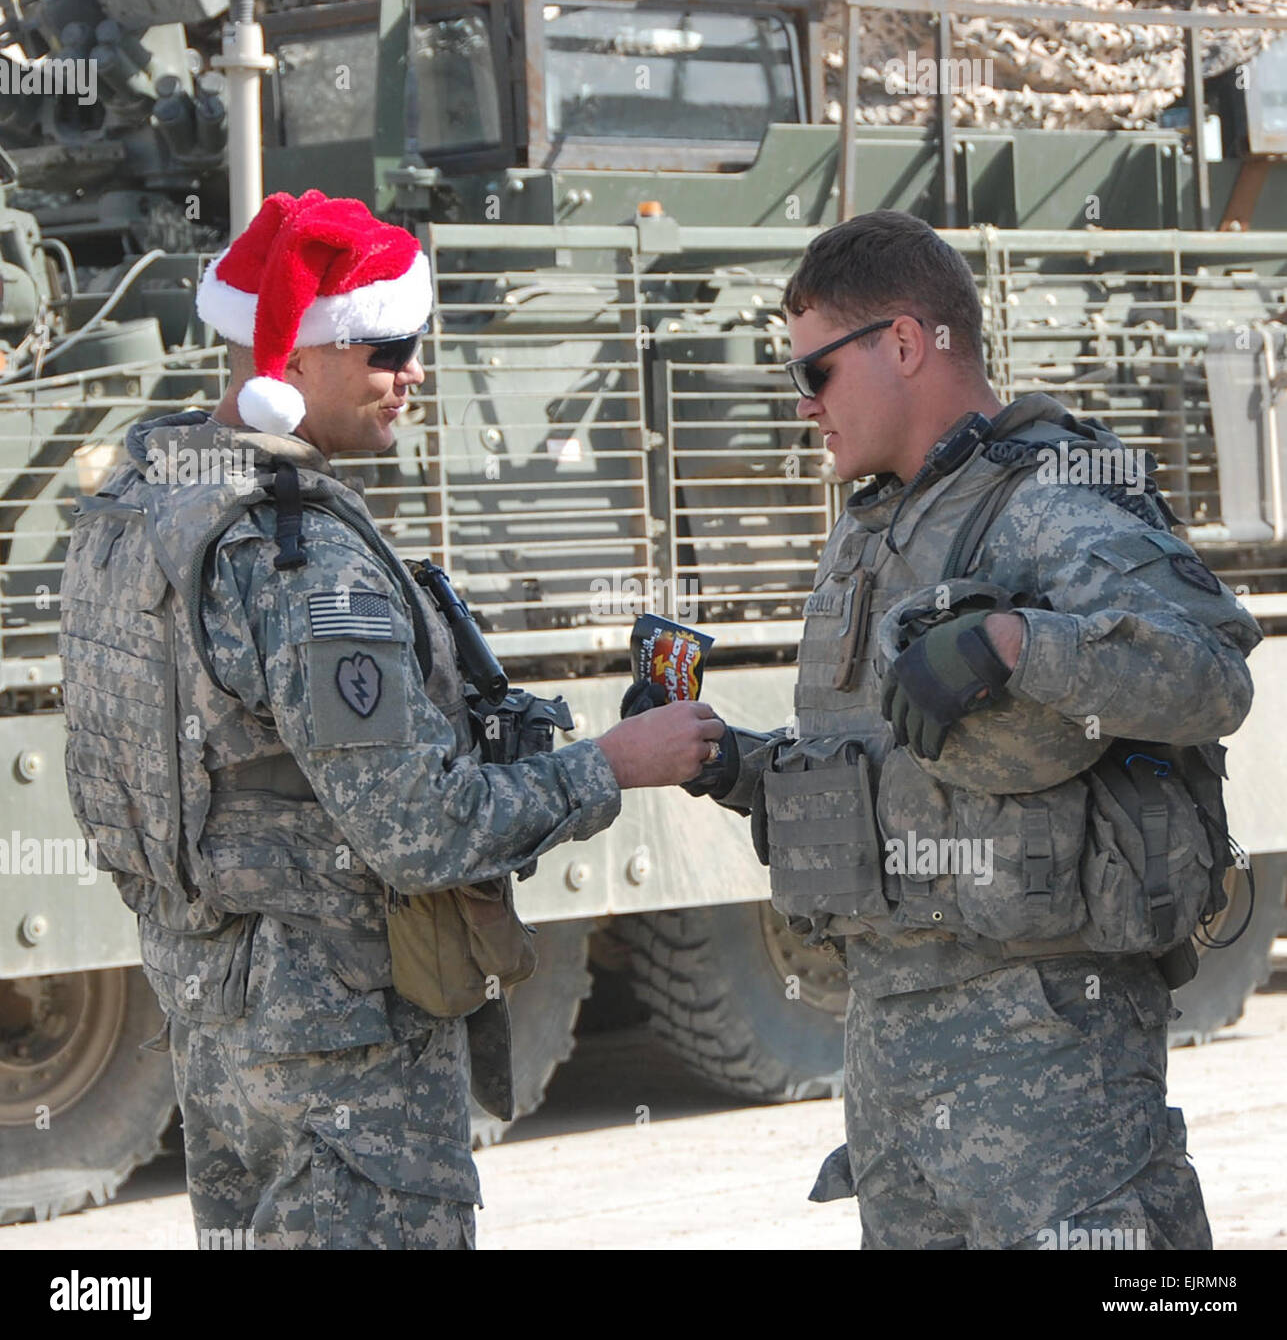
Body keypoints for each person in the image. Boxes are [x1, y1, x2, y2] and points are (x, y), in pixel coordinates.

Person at [58, 189, 723, 1250]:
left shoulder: (140, 504)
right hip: (346, 1056)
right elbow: (420, 829)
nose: (413, 371)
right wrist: (613, 764)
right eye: (386, 347)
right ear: (298, 360)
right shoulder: (297, 555)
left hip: (221, 1031)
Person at [672, 209, 1261, 1249]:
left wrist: (1012, 641)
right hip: (893, 1050)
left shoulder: (1052, 495)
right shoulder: (870, 527)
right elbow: (890, 772)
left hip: (1046, 1046)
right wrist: (734, 766)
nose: (804, 405)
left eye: (816, 373)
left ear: (904, 343)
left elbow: (1210, 674)